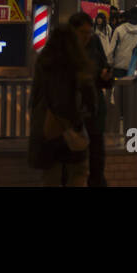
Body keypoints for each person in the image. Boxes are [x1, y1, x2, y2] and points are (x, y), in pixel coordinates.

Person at [28, 24, 92, 186]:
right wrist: (78, 122)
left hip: (48, 129)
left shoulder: (43, 62)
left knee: (51, 176)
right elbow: (85, 99)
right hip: (70, 129)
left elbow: (35, 97)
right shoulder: (77, 64)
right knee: (78, 172)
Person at [70, 11, 114, 187]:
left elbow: (104, 68)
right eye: (83, 32)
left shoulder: (94, 42)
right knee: (72, 149)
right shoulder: (64, 49)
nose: (87, 36)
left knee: (97, 148)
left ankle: (97, 181)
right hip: (72, 108)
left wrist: (105, 77)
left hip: (94, 105)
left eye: (89, 32)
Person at [109, 6, 137, 78]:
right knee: (132, 89)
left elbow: (111, 50)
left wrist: (109, 64)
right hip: (135, 67)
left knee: (118, 88)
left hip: (118, 67)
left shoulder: (119, 30)